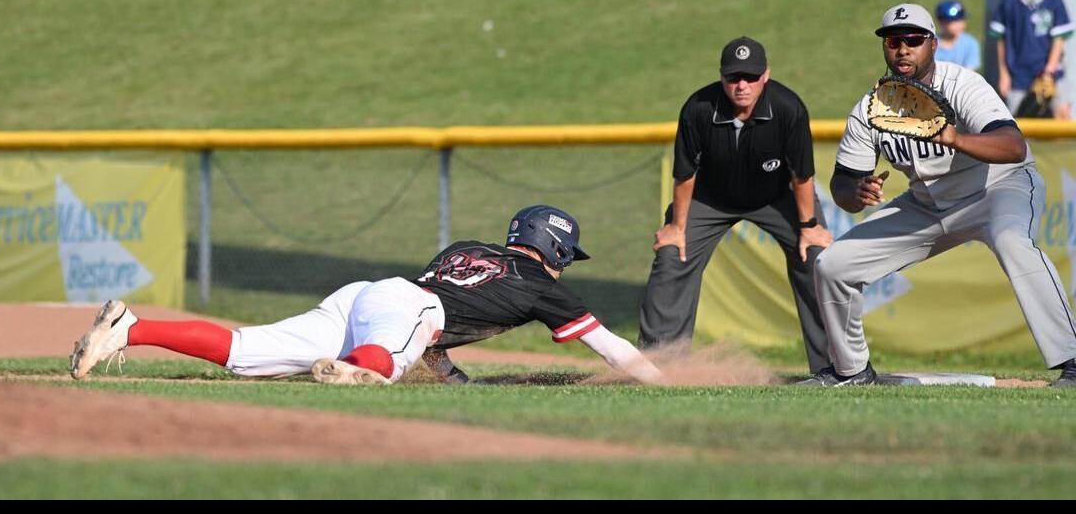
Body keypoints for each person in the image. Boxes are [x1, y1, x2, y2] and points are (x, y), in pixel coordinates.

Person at [70, 204, 664, 385]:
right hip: (409, 308)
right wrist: (663, 381)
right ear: (554, 250)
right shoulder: (542, 287)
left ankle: (133, 327)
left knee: (246, 353)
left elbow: (436, 327)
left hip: (370, 295)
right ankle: (357, 372)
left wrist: (458, 384)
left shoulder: (466, 249)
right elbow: (611, 347)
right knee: (385, 364)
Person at [802, 3, 1076, 387]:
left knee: (1012, 240)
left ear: (932, 44)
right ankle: (851, 372)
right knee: (833, 266)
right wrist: (856, 191)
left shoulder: (963, 84)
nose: (902, 48)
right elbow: (842, 183)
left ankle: (1073, 360)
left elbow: (1013, 146)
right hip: (927, 205)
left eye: (913, 40)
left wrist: (954, 138)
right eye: (894, 41)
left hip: (998, 187)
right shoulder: (870, 108)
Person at [638, 36, 833, 375]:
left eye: (750, 76)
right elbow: (685, 174)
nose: (741, 85)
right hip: (709, 197)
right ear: (721, 77)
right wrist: (677, 227)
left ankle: (836, 368)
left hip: (776, 197)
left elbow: (802, 175)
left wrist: (808, 227)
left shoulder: (788, 109)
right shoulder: (699, 108)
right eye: (733, 77)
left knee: (816, 259)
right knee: (672, 254)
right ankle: (659, 367)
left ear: (766, 76)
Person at [989, 0, 1074, 119]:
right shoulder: (1009, 2)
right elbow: (1000, 40)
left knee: (1063, 120)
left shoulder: (1054, 1)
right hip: (1017, 76)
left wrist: (1048, 72)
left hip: (1050, 75)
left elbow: (1059, 40)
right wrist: (1004, 74)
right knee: (1013, 126)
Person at [934, 0, 981, 72]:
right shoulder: (932, 43)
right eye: (953, 21)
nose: (959, 25)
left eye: (961, 20)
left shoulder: (970, 44)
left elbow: (969, 73)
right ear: (941, 22)